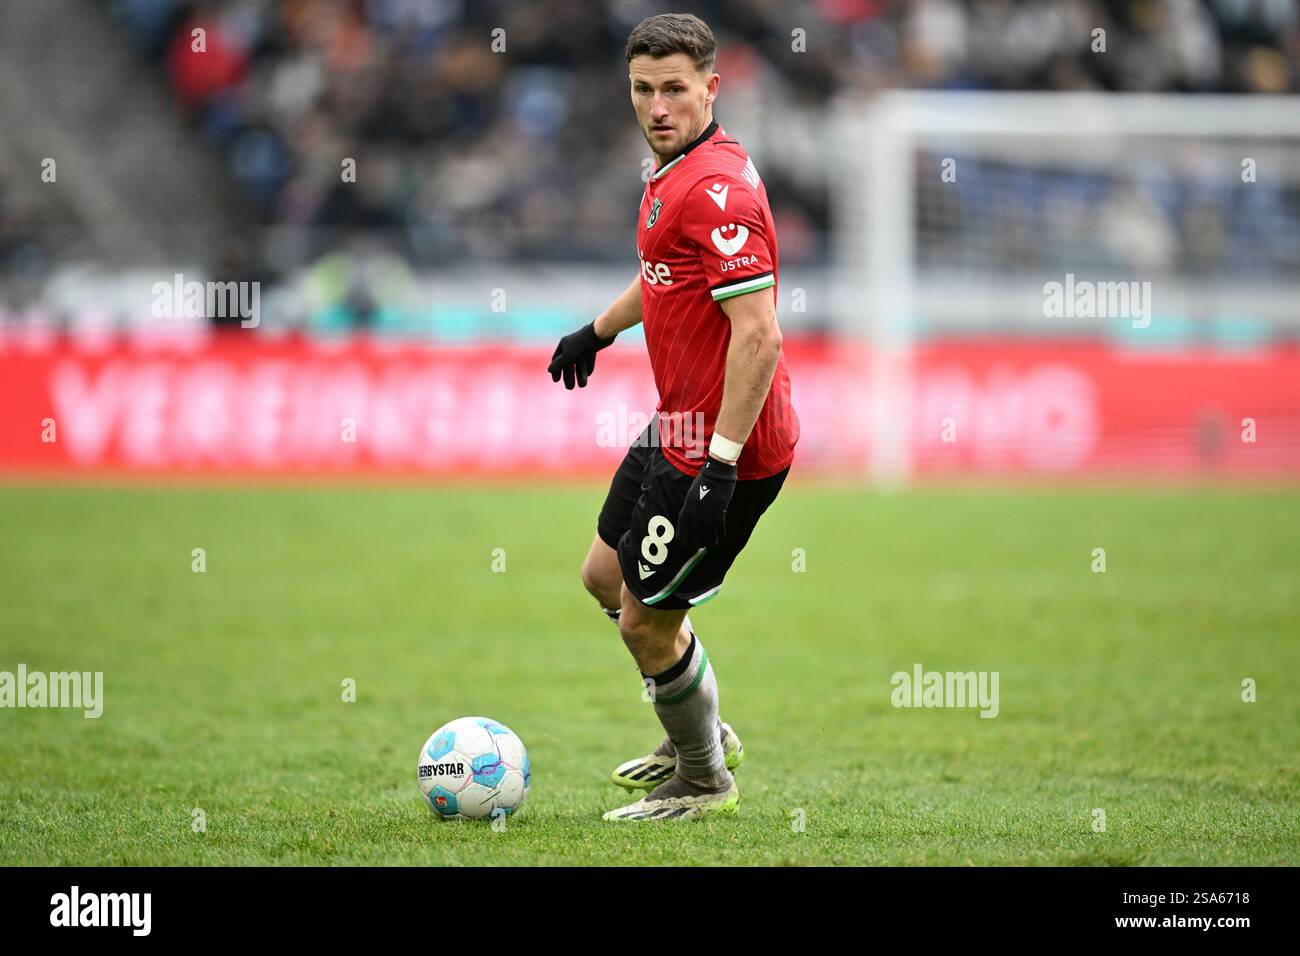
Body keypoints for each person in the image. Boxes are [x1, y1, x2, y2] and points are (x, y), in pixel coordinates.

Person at [548, 13, 799, 821]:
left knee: (645, 627)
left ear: (711, 90)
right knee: (604, 577)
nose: (658, 106)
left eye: (675, 90)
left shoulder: (714, 189)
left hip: (730, 445)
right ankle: (696, 718)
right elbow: (661, 273)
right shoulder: (670, 170)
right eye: (644, 90)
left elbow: (759, 335)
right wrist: (600, 329)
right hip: (678, 425)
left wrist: (720, 468)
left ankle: (703, 776)